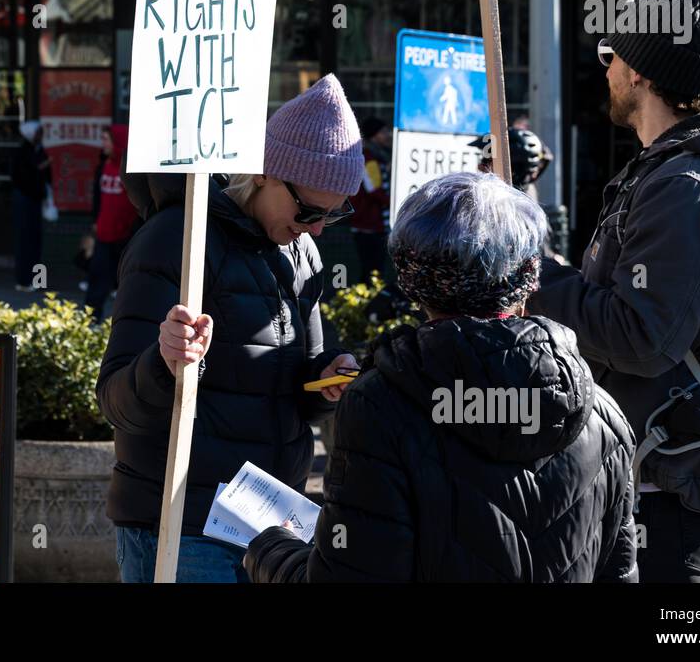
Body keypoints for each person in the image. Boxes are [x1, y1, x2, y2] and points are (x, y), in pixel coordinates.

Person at [244, 172, 637, 582]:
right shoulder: (602, 412)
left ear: (412, 280)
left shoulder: (381, 405)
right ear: (528, 276)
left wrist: (269, 547)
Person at [528, 0, 700, 583]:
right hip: (651, 469)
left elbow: (642, 338)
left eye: (612, 55)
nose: (605, 69)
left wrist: (535, 277)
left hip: (666, 484)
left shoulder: (689, 189)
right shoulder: (674, 172)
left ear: (643, 73)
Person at [97, 74, 363, 583]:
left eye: (335, 214)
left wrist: (327, 380)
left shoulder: (302, 250)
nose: (317, 228)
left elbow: (296, 391)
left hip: (273, 524)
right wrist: (164, 362)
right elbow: (114, 399)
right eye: (308, 210)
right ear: (263, 173)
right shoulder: (175, 237)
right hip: (182, 523)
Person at [470, 125, 566, 258]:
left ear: (513, 168)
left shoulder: (508, 204)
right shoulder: (525, 188)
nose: (480, 167)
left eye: (487, 162)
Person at [85, 124, 139, 320]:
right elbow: (98, 199)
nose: (102, 143)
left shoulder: (132, 169)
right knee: (96, 280)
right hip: (103, 234)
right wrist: (95, 223)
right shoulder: (103, 165)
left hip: (126, 237)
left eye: (106, 139)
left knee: (128, 286)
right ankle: (90, 322)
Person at [349, 116, 393, 286]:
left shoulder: (375, 156)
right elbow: (374, 189)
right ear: (374, 135)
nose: (388, 135)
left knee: (373, 270)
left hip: (372, 225)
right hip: (369, 225)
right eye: (384, 132)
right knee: (372, 271)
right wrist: (395, 202)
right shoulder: (369, 157)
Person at [10, 120, 52, 291]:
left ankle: (39, 281)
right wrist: (39, 169)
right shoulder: (22, 153)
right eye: (37, 133)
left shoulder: (40, 150)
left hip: (35, 201)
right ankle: (24, 280)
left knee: (36, 243)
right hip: (26, 201)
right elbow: (22, 177)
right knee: (25, 242)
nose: (40, 136)